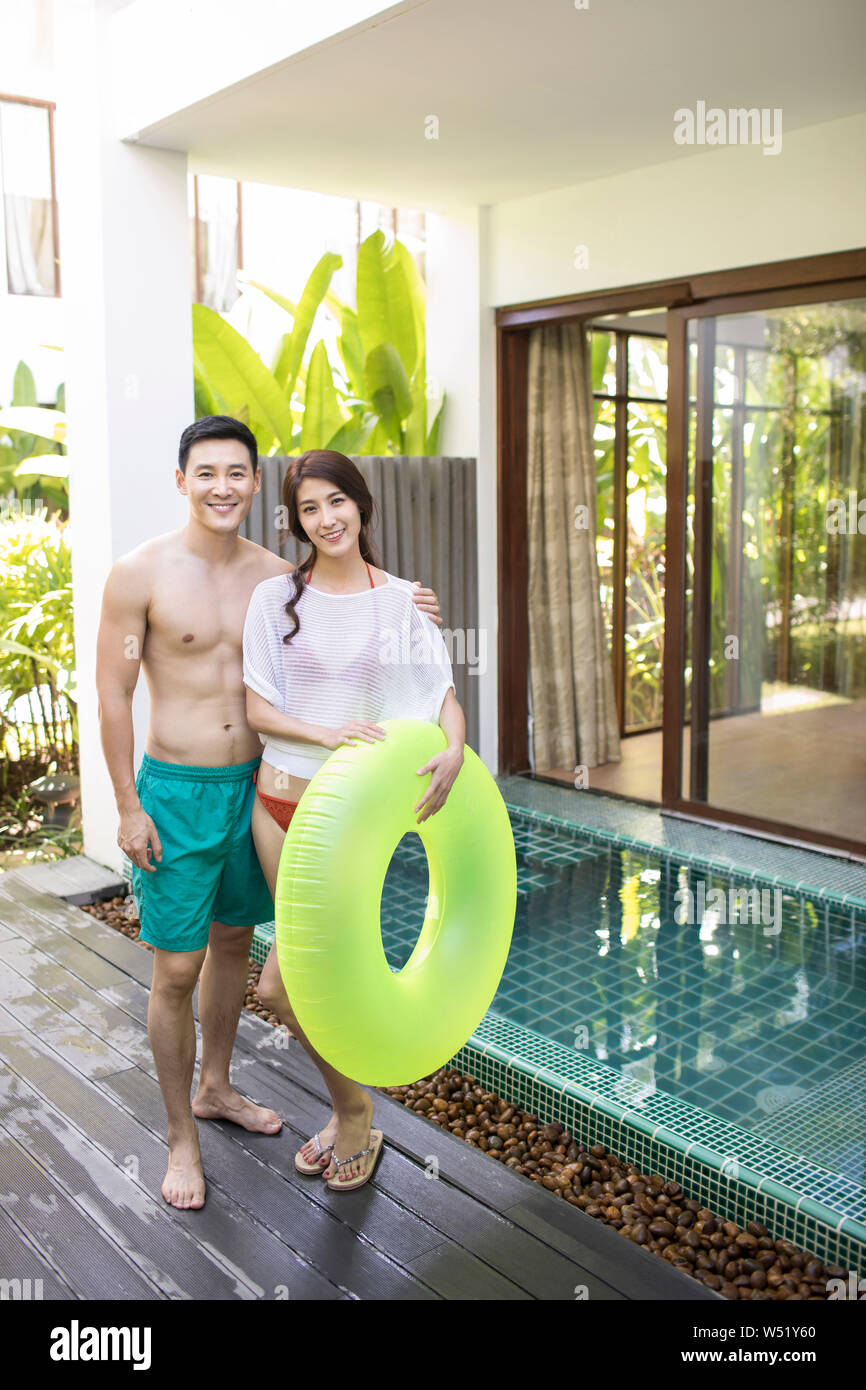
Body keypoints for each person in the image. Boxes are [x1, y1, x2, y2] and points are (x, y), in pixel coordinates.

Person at [96, 417, 442, 1210]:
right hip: (177, 793)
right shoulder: (138, 574)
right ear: (181, 480)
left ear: (256, 486)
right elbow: (114, 694)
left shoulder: (274, 576)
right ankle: (181, 1135)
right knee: (175, 969)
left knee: (232, 949)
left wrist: (410, 600)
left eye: (238, 474)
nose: (223, 486)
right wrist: (126, 805)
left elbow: (348, 610)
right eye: (207, 472)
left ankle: (217, 1087)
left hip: (254, 787)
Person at [243, 449, 466, 1191]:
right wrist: (323, 731)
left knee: (281, 985)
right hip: (276, 802)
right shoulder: (276, 599)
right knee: (302, 977)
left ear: (360, 506)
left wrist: (457, 749)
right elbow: (257, 707)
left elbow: (439, 694)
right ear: (297, 520)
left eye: (336, 501)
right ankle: (349, 1115)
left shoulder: (403, 600)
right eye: (309, 508)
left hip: (343, 818)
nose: (326, 518)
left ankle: (355, 1114)